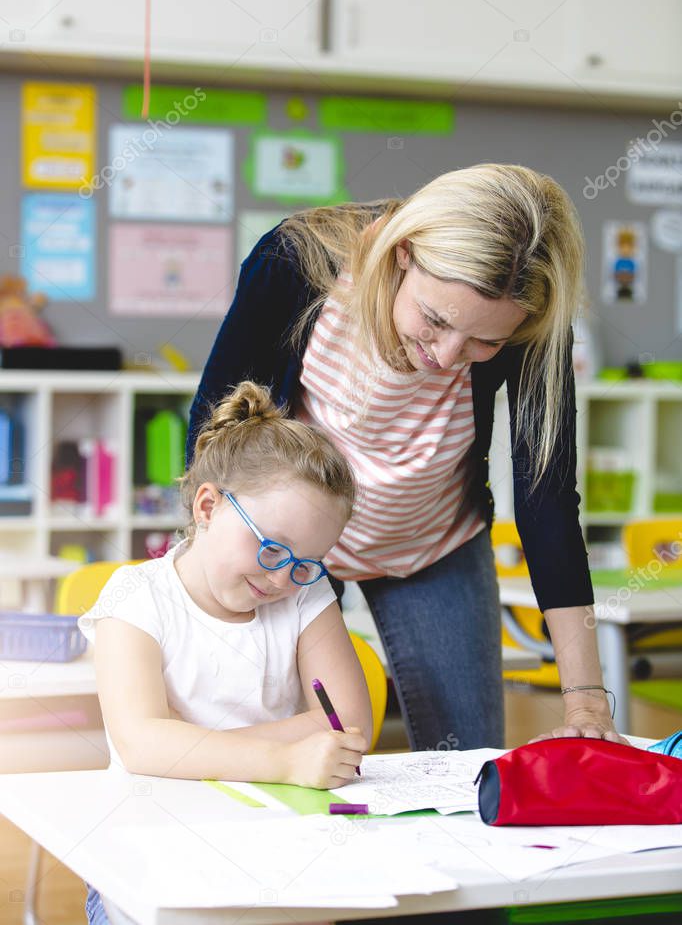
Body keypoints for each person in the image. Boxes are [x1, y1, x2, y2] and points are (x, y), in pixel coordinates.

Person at [189, 164, 624, 754]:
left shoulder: (533, 323)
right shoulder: (296, 263)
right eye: (436, 320)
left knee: (467, 755)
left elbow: (547, 499)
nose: (448, 357)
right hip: (292, 549)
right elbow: (218, 430)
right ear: (399, 253)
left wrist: (586, 695)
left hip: (434, 544)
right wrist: (199, 581)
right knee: (279, 749)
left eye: (483, 343)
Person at [78, 380, 372, 925]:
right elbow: (144, 743)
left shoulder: (305, 594)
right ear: (209, 506)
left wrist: (187, 749)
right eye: (270, 548)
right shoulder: (134, 597)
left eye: (306, 561)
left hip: (277, 856)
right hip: (148, 862)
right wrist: (287, 759)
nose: (283, 576)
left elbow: (348, 722)